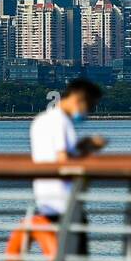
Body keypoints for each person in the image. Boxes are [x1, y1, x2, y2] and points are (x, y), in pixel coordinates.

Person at [29, 77, 107, 218]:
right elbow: (63, 160)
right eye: (90, 106)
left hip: (44, 198)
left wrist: (82, 147)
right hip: (63, 202)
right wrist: (89, 152)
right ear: (79, 99)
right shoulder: (61, 122)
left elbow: (52, 154)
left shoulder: (41, 119)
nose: (89, 112)